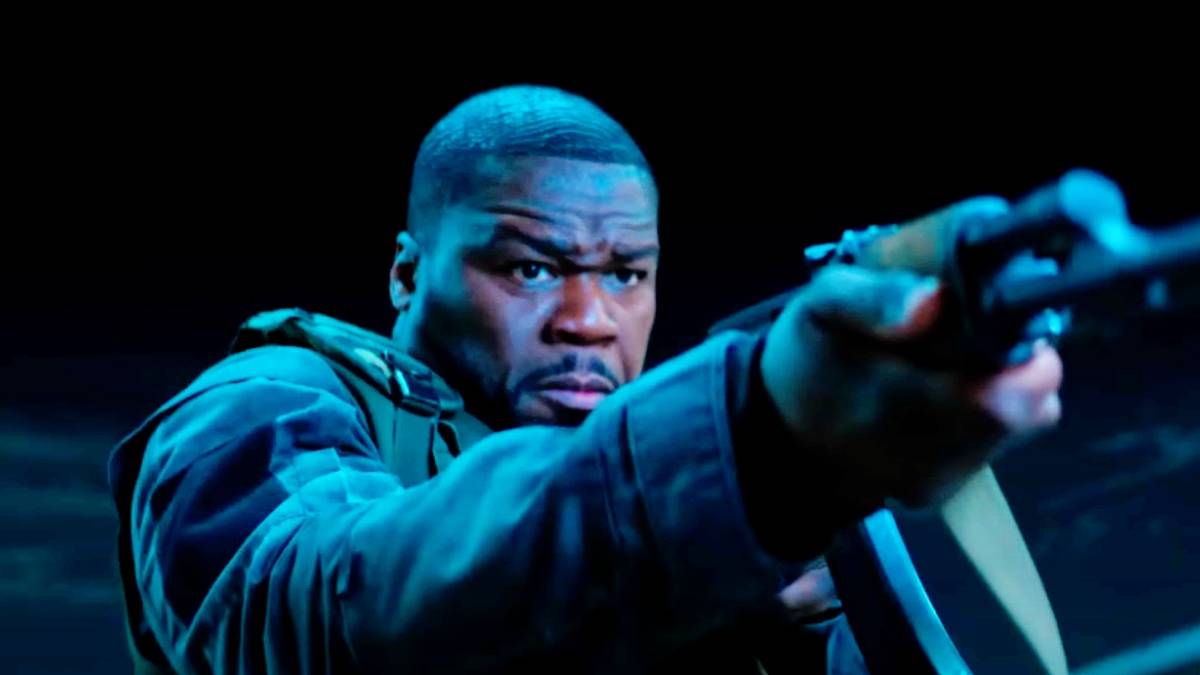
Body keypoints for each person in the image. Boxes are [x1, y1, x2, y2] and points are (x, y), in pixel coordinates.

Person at [109, 85, 1064, 674]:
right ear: (406, 273)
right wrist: (756, 452)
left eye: (626, 274)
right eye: (531, 268)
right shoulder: (267, 402)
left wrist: (793, 609)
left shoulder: (669, 495)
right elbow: (325, 611)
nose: (589, 318)